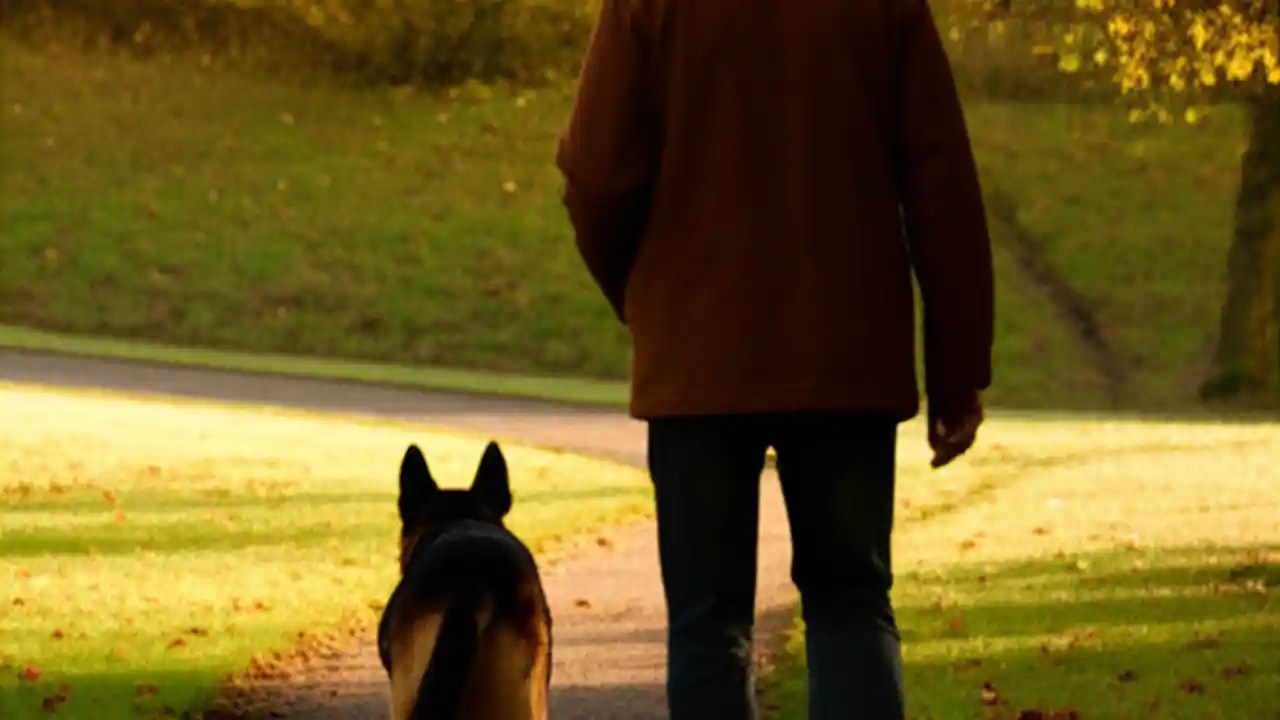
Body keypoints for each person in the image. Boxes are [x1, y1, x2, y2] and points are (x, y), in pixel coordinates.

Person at [555, 0, 994, 716]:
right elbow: (940, 182)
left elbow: (596, 174)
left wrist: (643, 297)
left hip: (697, 356)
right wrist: (958, 369)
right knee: (850, 603)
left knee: (707, 624)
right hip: (845, 355)